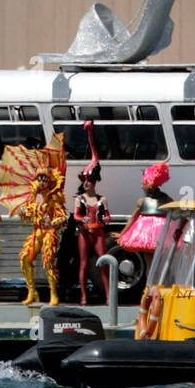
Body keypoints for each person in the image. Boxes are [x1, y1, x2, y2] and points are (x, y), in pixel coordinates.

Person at [0, 134, 67, 306]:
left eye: (45, 179)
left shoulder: (54, 198)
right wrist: (23, 213)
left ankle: (53, 293)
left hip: (49, 232)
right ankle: (32, 291)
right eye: (39, 178)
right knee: (24, 258)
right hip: (36, 231)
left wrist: (52, 222)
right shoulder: (32, 196)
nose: (42, 181)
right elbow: (28, 215)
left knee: (48, 260)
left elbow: (63, 217)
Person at [71, 121, 110, 305]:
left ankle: (110, 296)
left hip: (99, 232)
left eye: (90, 180)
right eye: (85, 180)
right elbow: (75, 215)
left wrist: (106, 218)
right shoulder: (80, 198)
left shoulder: (102, 199)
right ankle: (84, 296)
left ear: (95, 182)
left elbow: (107, 215)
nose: (87, 183)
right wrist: (82, 218)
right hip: (85, 232)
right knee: (84, 264)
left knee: (103, 263)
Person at [117, 161, 173, 254]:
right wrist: (121, 234)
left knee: (153, 256)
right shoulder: (146, 201)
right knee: (153, 256)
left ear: (149, 185)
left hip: (156, 232)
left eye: (143, 184)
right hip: (153, 233)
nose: (141, 187)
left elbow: (132, 218)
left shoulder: (163, 199)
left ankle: (151, 269)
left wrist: (121, 234)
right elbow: (133, 218)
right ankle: (151, 269)